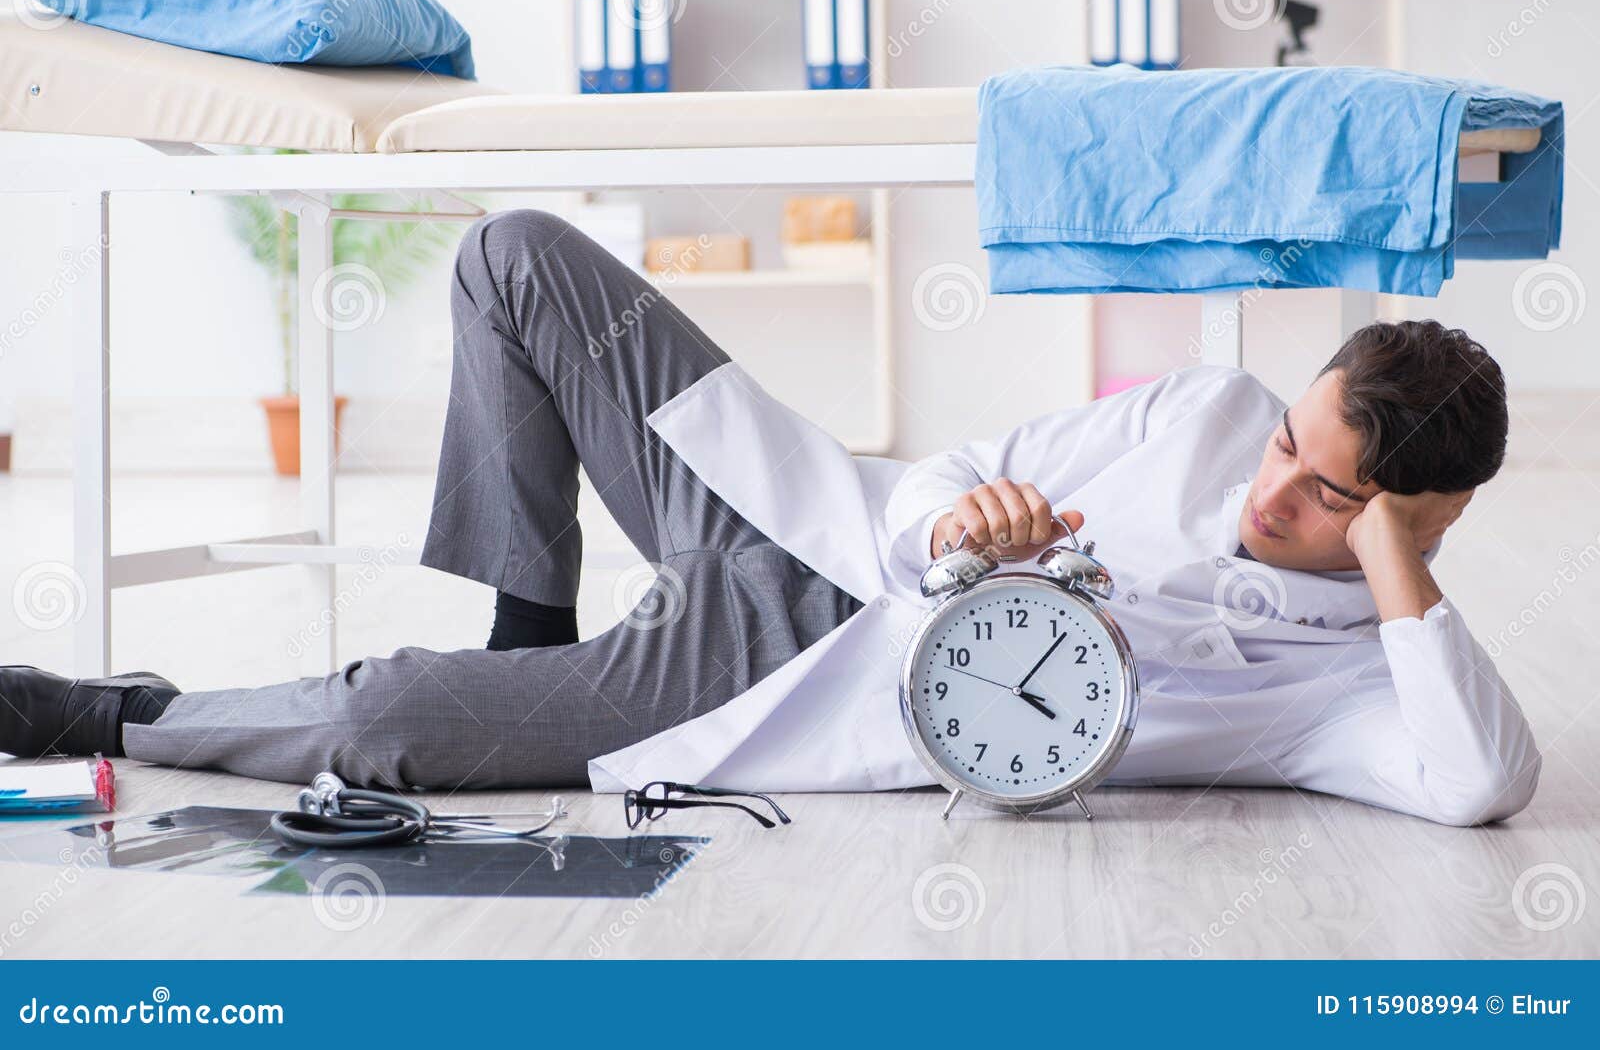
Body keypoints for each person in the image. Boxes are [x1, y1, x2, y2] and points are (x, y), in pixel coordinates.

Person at [0, 210, 1540, 825]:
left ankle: (120, 708)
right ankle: (533, 632)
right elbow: (952, 467)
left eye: (1332, 493)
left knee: (386, 719)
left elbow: (1480, 783)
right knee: (515, 257)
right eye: (1289, 438)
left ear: (1422, 518)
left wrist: (1386, 561)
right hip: (808, 512)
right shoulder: (1201, 413)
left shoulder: (1349, 689)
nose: (1269, 490)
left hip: (784, 679)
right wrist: (955, 529)